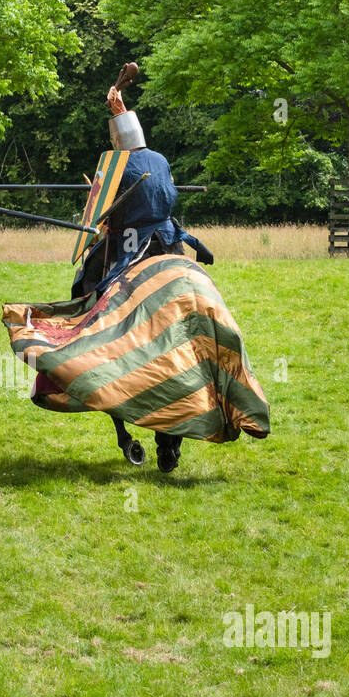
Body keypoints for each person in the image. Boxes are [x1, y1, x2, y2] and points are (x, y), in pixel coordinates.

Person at [72, 81, 214, 474]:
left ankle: (79, 334)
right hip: (168, 245)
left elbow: (99, 216)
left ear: (116, 141)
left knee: (86, 292)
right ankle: (170, 439)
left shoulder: (113, 165)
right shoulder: (161, 160)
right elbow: (165, 199)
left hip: (129, 250)